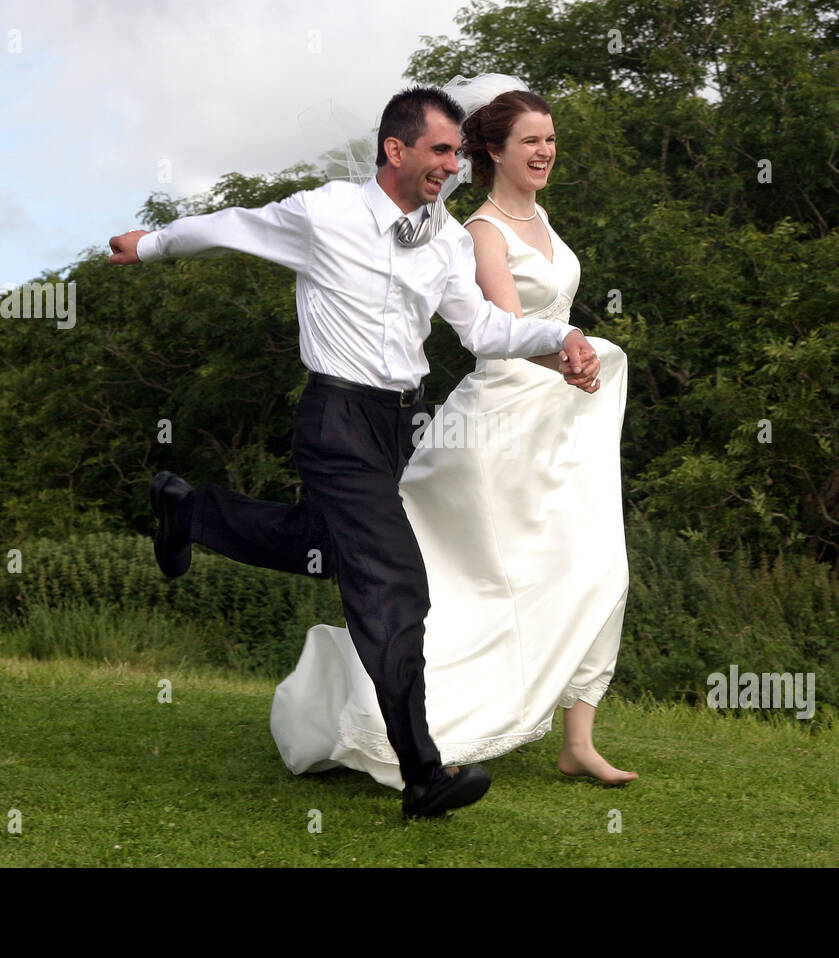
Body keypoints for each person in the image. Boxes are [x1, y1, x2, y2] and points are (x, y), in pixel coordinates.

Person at [107, 85, 601, 819]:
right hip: (336, 417)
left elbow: (484, 330)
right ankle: (423, 773)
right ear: (395, 150)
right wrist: (148, 244)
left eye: (457, 154)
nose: (451, 166)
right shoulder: (324, 214)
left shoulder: (448, 240)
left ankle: (191, 512)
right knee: (397, 583)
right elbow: (227, 227)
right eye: (440, 151)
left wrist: (555, 339)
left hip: (398, 426)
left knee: (325, 546)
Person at [271, 75, 636, 790]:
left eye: (551, 139)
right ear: (491, 152)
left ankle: (578, 739)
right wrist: (566, 348)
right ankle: (414, 727)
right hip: (503, 424)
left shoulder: (544, 220)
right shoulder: (477, 232)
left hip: (561, 420)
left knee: (601, 567)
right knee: (476, 584)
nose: (545, 151)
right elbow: (498, 333)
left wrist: (579, 357)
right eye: (530, 140)